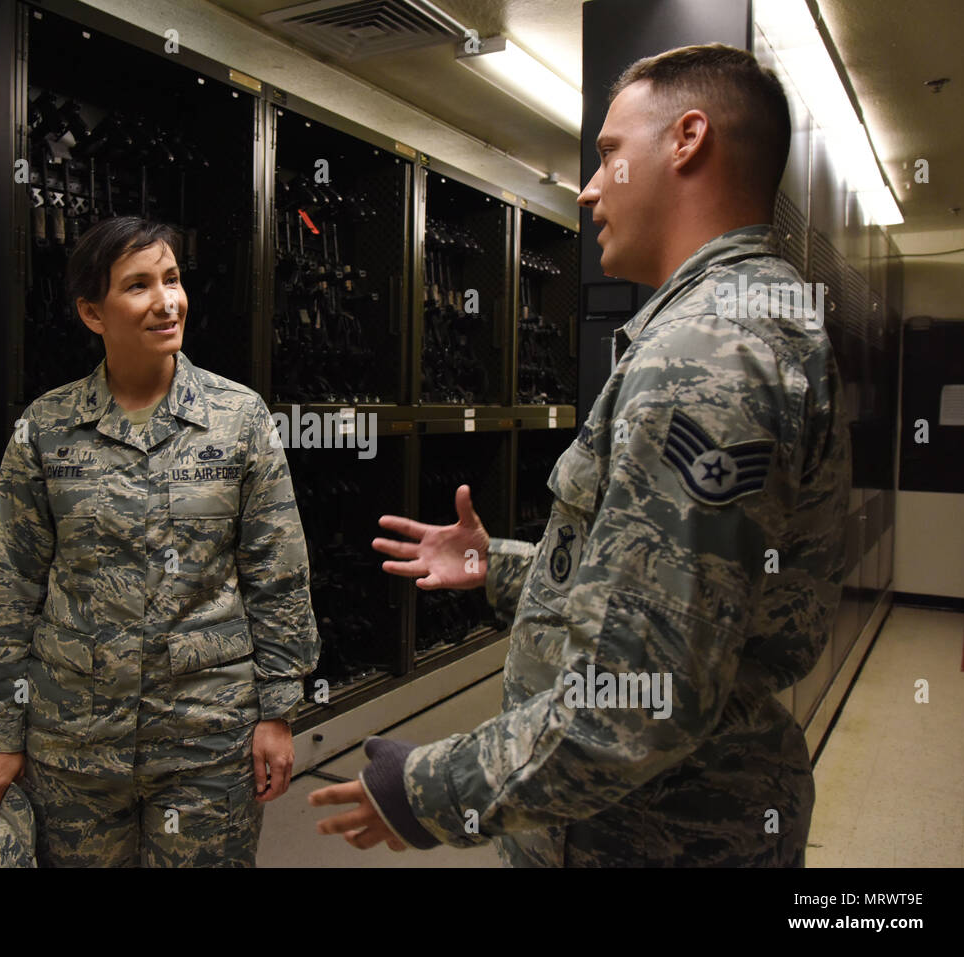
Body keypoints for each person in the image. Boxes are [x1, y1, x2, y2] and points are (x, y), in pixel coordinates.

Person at [311, 42, 850, 866]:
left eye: (607, 154)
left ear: (687, 139)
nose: (590, 188)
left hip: (647, 836)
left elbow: (640, 699)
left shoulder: (704, 351)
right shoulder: (745, 317)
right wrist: (507, 567)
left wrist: (426, 789)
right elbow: (681, 590)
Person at [0, 215, 319, 866]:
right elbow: (12, 588)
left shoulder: (240, 419)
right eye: (139, 285)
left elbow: (279, 574)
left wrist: (277, 713)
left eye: (173, 279)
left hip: (206, 745)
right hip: (73, 745)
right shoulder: (45, 428)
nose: (166, 301)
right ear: (92, 312)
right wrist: (0, 731)